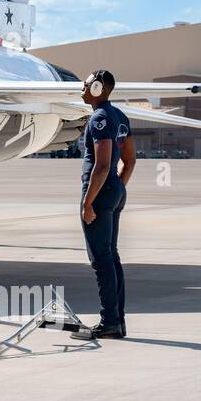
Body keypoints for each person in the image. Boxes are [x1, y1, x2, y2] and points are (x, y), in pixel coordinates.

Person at [71, 69, 135, 341]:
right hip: (114, 190)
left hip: (100, 191)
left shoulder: (99, 119)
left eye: (86, 86)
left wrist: (89, 202)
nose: (83, 89)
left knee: (101, 260)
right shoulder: (120, 116)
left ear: (98, 88)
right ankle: (117, 321)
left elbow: (102, 164)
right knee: (112, 257)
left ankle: (109, 322)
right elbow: (130, 160)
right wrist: (117, 188)